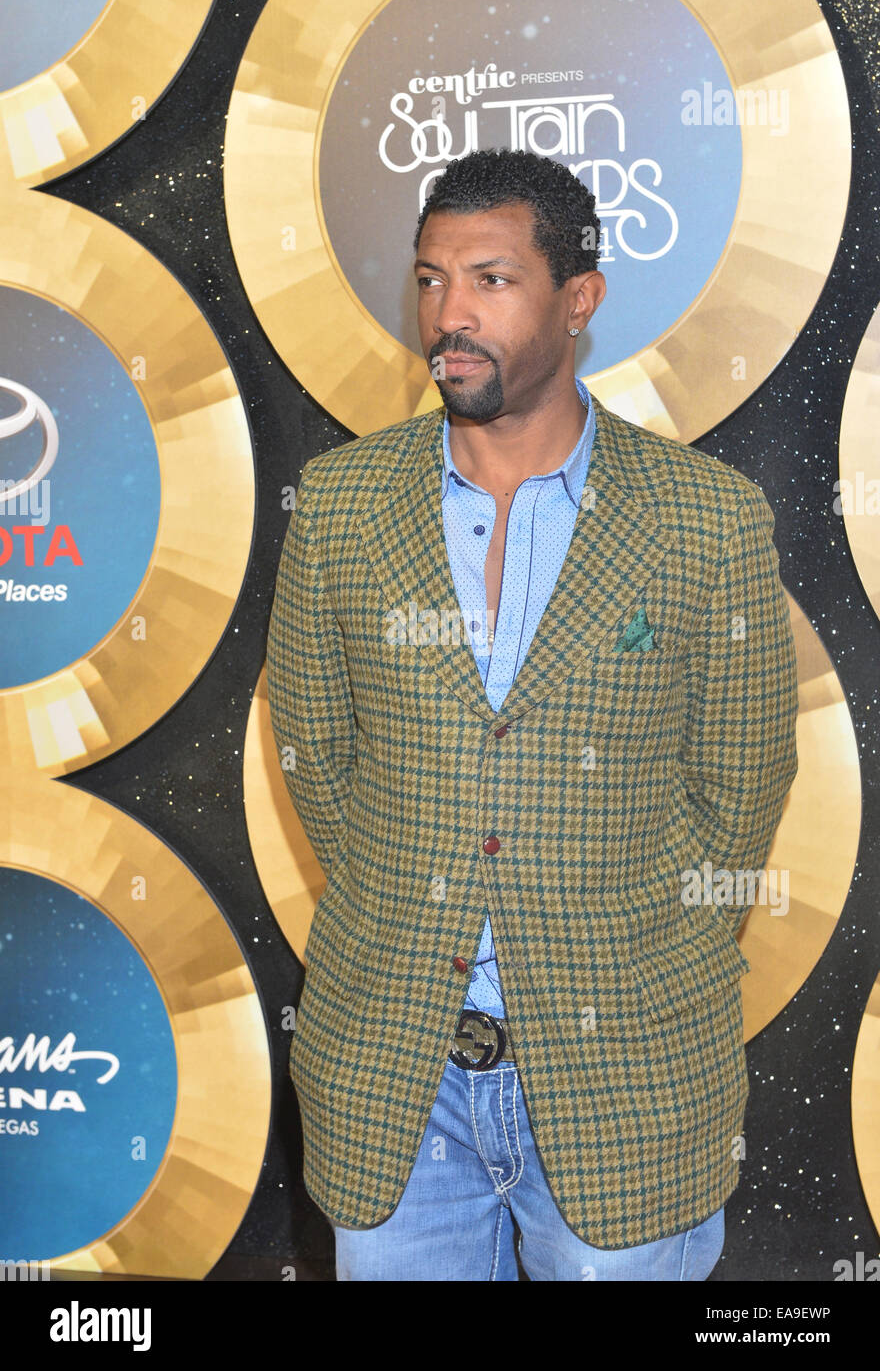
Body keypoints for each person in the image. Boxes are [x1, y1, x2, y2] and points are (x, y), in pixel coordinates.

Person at [266, 148, 799, 1281]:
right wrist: (409, 888)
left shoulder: (706, 521)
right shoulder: (342, 506)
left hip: (628, 1082)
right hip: (394, 1089)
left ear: (580, 298)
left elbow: (743, 782)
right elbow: (319, 756)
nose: (447, 314)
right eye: (427, 279)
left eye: (491, 280)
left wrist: (634, 944)